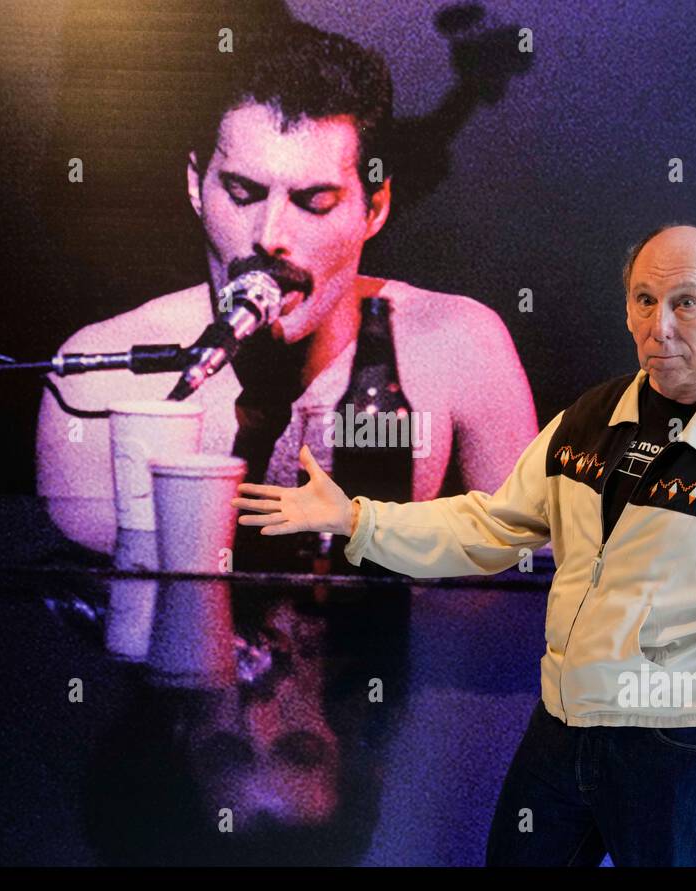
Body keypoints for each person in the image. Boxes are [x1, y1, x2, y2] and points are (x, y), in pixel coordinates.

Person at [231, 223, 696, 866]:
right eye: (644, 299)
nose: (660, 325)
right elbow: (492, 527)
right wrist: (358, 519)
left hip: (680, 755)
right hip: (563, 733)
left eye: (686, 302)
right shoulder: (590, 418)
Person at [36, 22, 537, 556]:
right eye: (242, 192)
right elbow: (85, 617)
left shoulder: (463, 347)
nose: (269, 236)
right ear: (194, 185)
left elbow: (530, 591)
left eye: (313, 201)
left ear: (375, 208)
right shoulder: (97, 373)